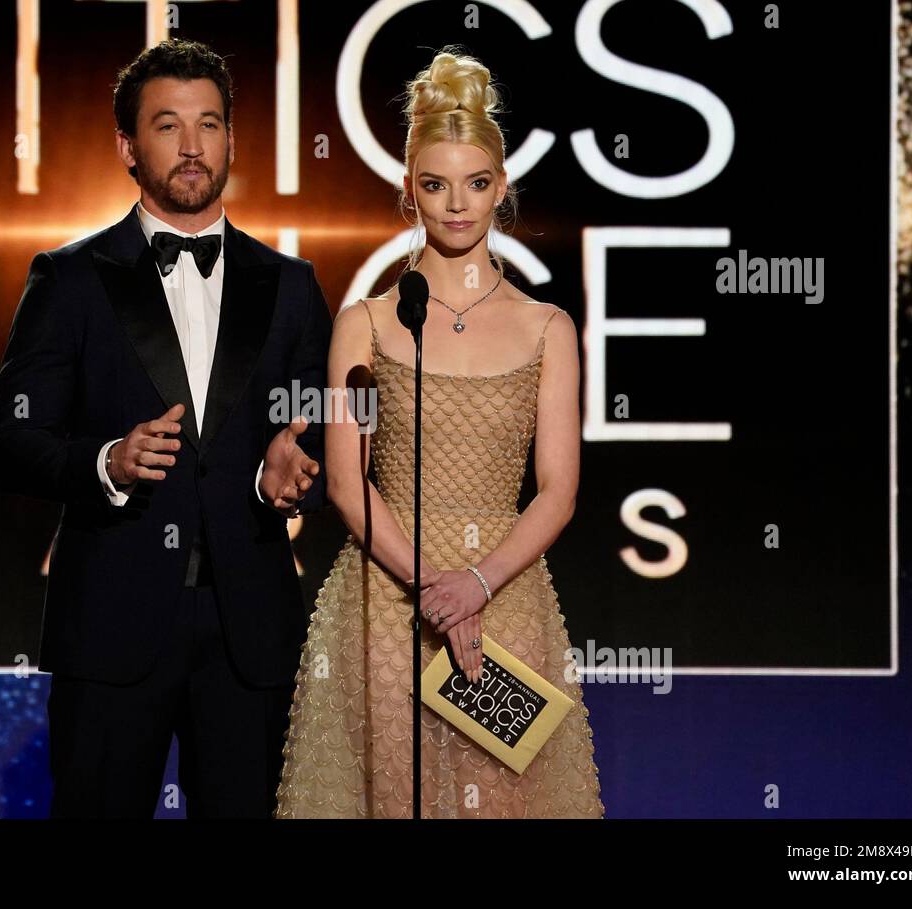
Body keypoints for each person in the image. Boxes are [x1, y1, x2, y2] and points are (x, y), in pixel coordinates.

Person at [0, 39, 332, 818]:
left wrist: (287, 474)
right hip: (111, 623)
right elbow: (10, 441)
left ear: (233, 140)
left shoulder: (291, 285)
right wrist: (107, 460)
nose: (191, 145)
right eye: (167, 125)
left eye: (209, 124)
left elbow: (326, 436)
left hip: (251, 629)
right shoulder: (69, 278)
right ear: (127, 147)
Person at [274, 48, 604, 818]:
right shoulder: (364, 324)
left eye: (477, 183)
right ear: (408, 190)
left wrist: (476, 586)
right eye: (435, 184)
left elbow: (558, 491)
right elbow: (349, 483)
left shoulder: (547, 328)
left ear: (503, 187)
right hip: (386, 603)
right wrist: (434, 588)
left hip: (506, 598)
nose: (457, 205)